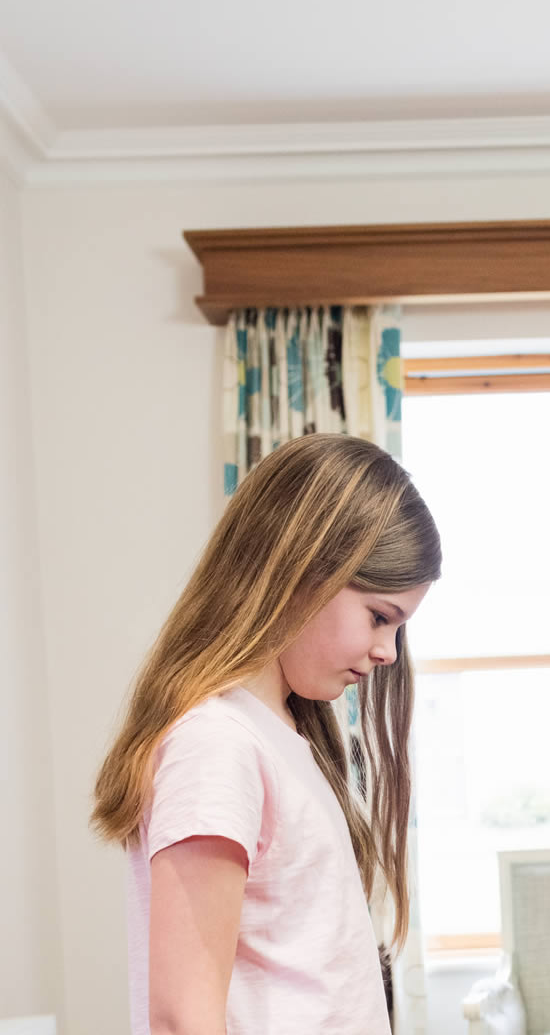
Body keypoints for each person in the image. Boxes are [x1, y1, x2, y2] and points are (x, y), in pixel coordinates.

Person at [92, 432, 441, 1035]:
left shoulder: (281, 739)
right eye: (379, 617)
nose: (388, 651)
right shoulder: (217, 746)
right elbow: (182, 1020)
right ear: (302, 570)